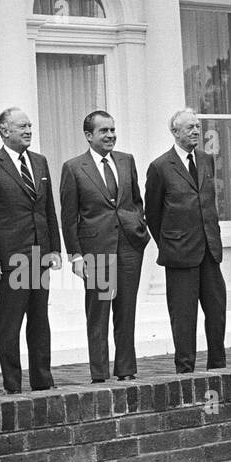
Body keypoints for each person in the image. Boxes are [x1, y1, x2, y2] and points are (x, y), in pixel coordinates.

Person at [0, 107, 62, 394]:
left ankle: (42, 380)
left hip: (39, 255)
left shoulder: (40, 162)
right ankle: (12, 383)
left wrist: (54, 249)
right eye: (22, 126)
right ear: (4, 130)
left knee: (40, 321)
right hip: (11, 258)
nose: (28, 131)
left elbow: (48, 209)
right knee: (10, 323)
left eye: (30, 126)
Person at [59, 111, 150, 383]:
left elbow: (136, 200)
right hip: (96, 252)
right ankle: (99, 372)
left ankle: (126, 369)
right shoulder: (74, 168)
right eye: (104, 131)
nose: (110, 135)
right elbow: (69, 216)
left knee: (127, 310)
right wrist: (75, 255)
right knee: (98, 313)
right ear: (89, 136)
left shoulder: (126, 160)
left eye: (112, 129)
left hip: (129, 247)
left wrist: (139, 228)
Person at [145, 109, 227, 374]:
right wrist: (170, 243)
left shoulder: (205, 160)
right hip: (180, 253)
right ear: (175, 132)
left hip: (209, 250)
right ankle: (185, 369)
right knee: (183, 316)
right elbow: (153, 214)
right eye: (189, 127)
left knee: (216, 312)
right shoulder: (160, 167)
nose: (195, 131)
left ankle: (218, 366)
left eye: (197, 127)